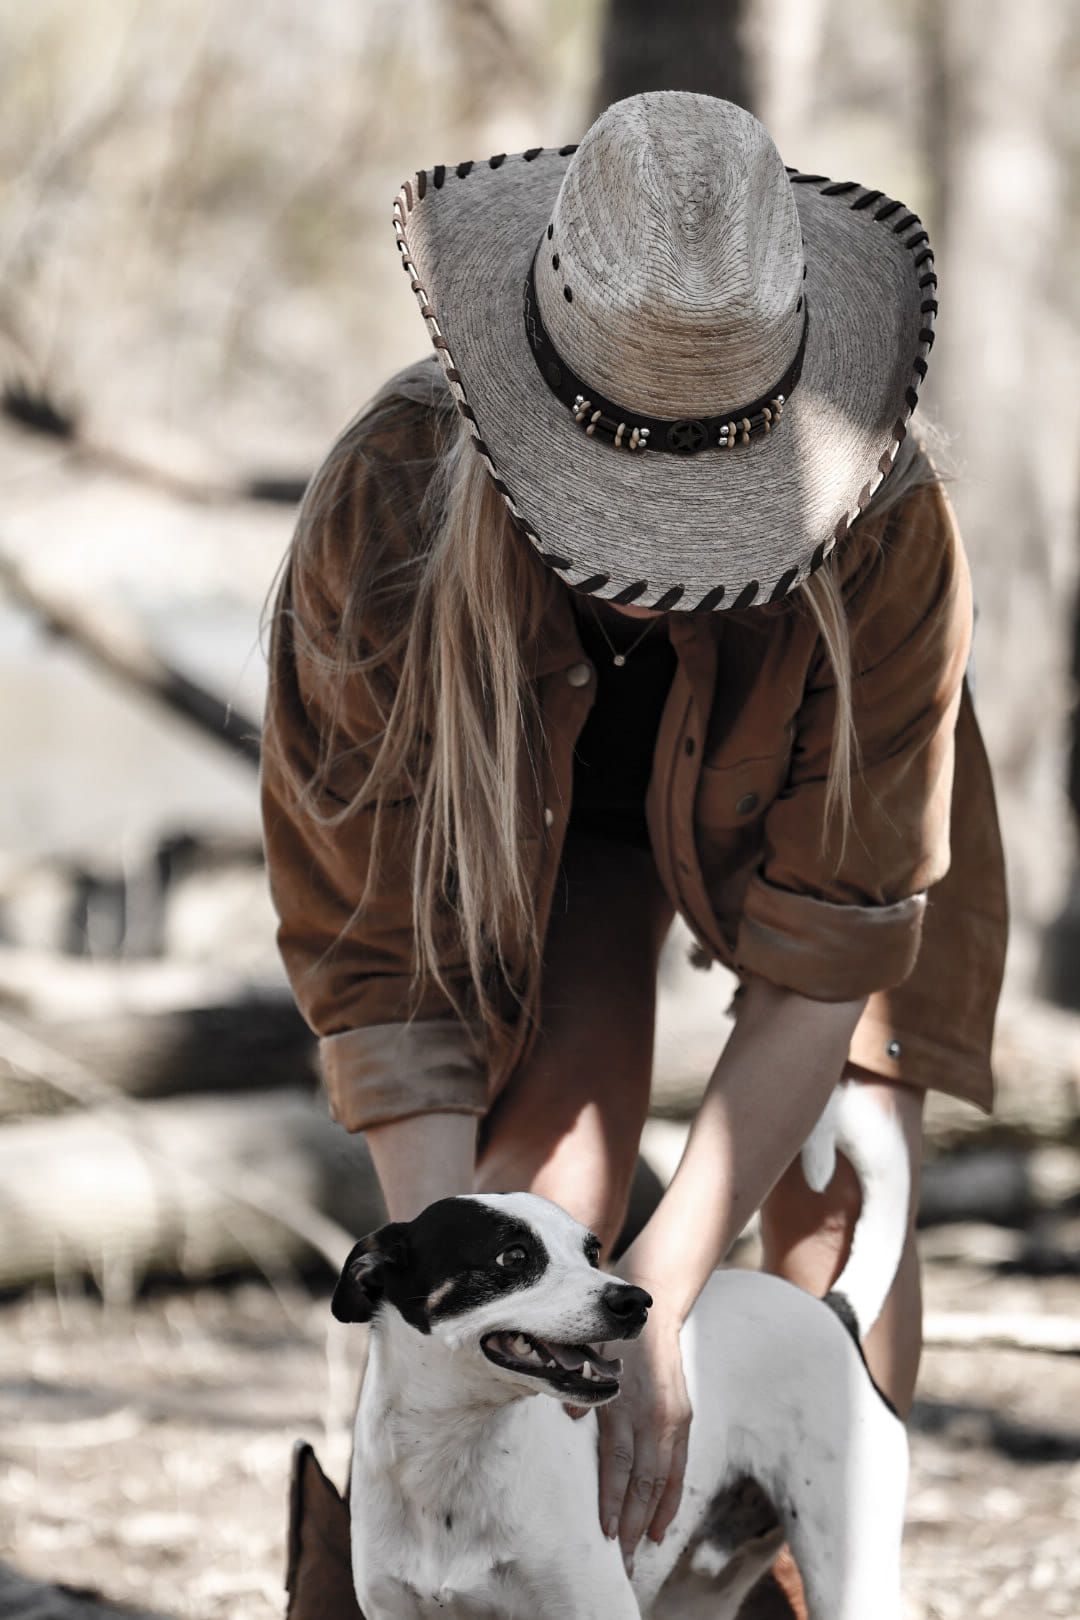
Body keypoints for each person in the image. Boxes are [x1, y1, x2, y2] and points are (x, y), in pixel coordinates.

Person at [261, 92, 1007, 1618]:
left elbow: (827, 962)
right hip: (538, 826)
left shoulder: (888, 534)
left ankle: (784, 1580)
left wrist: (666, 1301)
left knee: (830, 1216)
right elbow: (382, 974)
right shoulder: (387, 509)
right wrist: (450, 1332)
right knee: (541, 1187)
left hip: (815, 797)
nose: (673, 587)